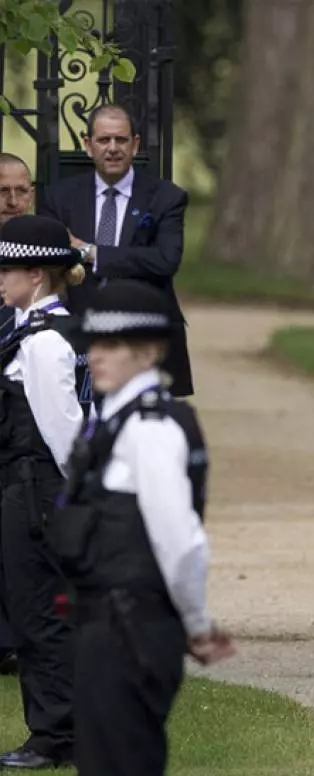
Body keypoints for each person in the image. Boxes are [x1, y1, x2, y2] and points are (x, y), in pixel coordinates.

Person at [50, 279, 234, 776]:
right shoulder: (117, 420)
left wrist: (196, 624)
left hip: (130, 628)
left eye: (113, 345)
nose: (97, 356)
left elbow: (178, 540)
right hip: (104, 624)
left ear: (150, 351)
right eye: (93, 343)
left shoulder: (151, 429)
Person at [0, 215, 88, 769]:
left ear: (36, 275)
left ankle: (56, 734)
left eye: (7, 268)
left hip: (37, 491)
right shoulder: (45, 332)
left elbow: (65, 431)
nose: (1, 279)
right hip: (34, 489)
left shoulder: (42, 344)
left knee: (39, 615)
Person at [37, 103, 194, 397]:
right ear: (88, 145)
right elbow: (50, 263)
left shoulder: (166, 197)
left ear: (135, 145)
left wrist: (90, 252)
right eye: (103, 140)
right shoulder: (59, 198)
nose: (112, 148)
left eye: (121, 140)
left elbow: (164, 261)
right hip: (76, 331)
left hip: (144, 333)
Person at [0, 152, 36, 676]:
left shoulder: (44, 256)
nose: (11, 201)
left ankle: (12, 641)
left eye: (20, 191)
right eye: (2, 193)